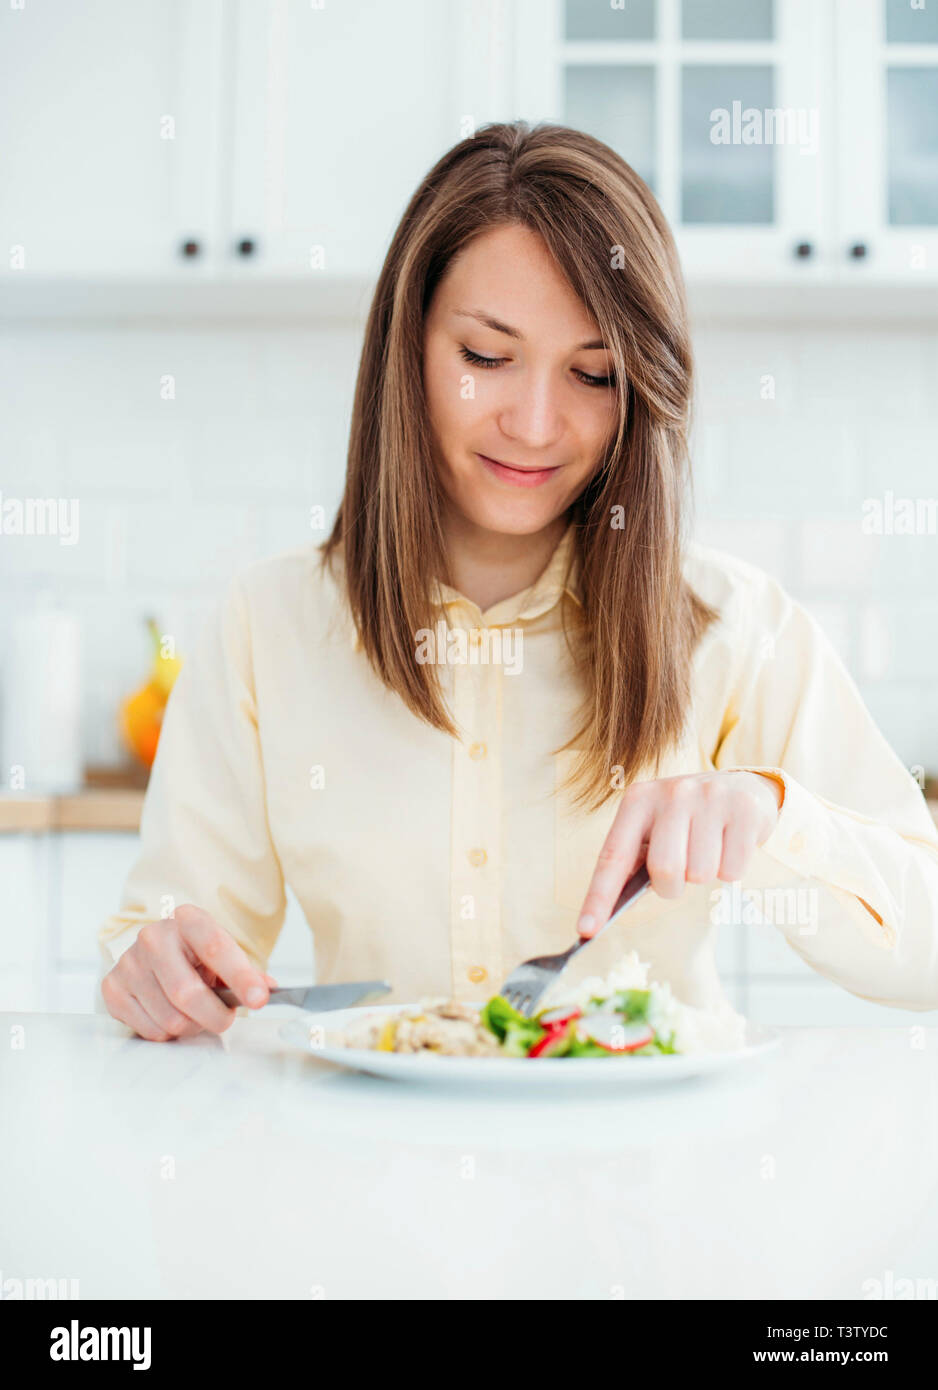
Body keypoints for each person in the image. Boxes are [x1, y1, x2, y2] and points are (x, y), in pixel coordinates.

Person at [98, 121, 938, 1042]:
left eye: (593, 372)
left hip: (654, 1170)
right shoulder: (268, 626)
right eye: (486, 358)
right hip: (371, 1162)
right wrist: (159, 974)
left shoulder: (734, 628)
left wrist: (774, 813)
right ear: (407, 348)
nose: (537, 425)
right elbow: (175, 938)